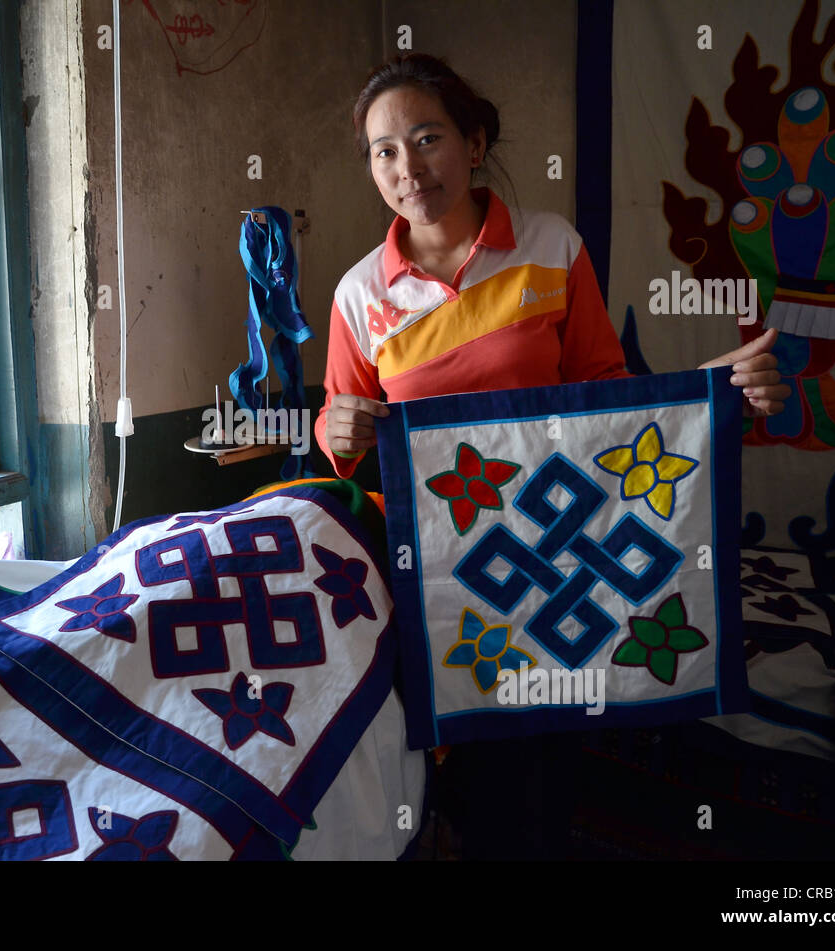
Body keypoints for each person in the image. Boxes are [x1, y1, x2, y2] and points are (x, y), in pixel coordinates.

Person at [315, 53, 790, 860]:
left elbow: (608, 398)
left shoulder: (549, 246)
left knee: (540, 776)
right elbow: (341, 433)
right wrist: (340, 430)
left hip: (557, 560)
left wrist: (714, 389)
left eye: (426, 138)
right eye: (383, 151)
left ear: (474, 141)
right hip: (439, 580)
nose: (407, 167)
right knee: (464, 786)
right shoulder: (361, 295)